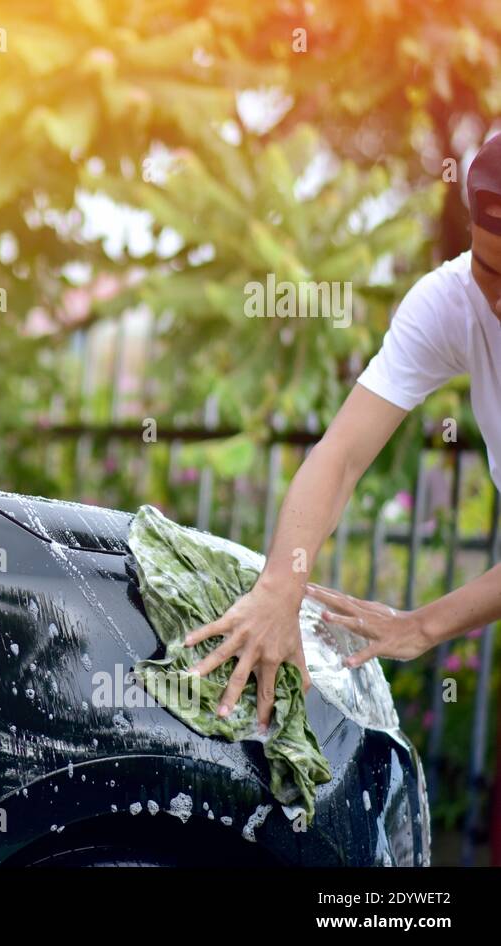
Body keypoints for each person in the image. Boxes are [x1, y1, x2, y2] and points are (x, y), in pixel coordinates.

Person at [185, 134, 501, 732]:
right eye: (490, 270)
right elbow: (342, 455)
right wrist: (280, 588)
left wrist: (422, 626)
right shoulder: (449, 304)